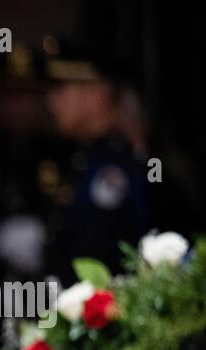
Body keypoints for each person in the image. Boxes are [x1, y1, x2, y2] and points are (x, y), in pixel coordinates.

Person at [41, 39, 150, 278]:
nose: (51, 101)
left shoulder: (116, 167)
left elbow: (100, 256)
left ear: (96, 94)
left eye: (61, 88)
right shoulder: (80, 156)